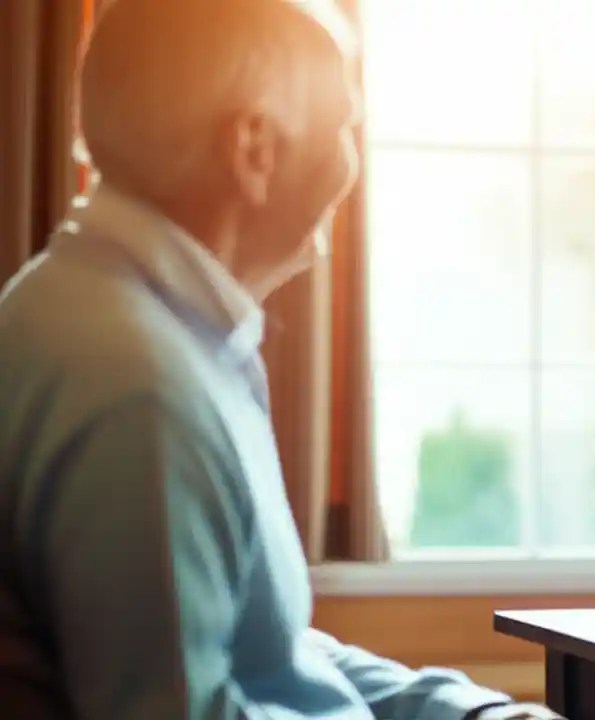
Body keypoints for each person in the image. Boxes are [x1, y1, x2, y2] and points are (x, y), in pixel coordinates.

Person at [0, 1, 560, 718]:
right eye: (344, 128)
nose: (351, 161)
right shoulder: (137, 388)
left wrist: (466, 713)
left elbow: (270, 652)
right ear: (256, 148)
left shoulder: (144, 326)